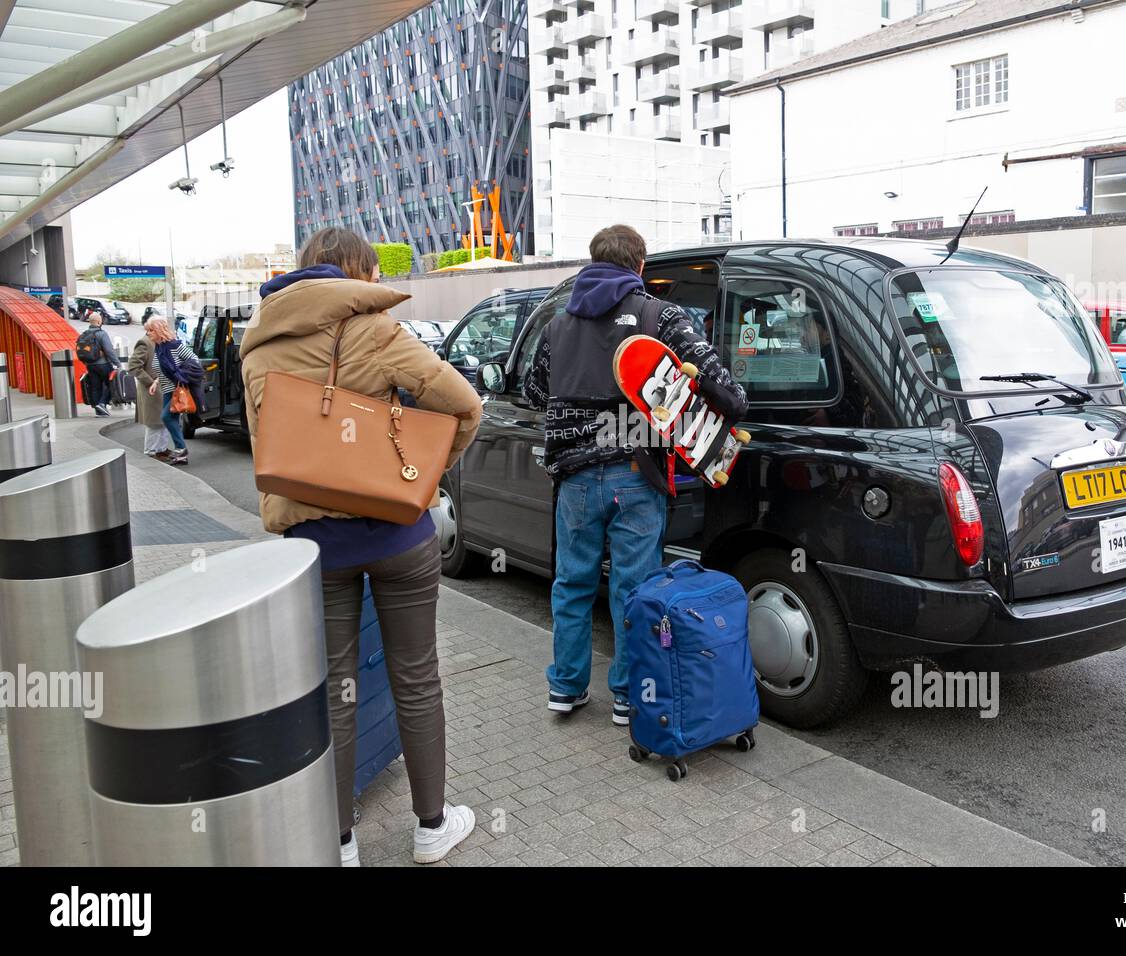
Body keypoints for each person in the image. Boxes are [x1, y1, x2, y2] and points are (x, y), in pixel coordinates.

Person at [238, 226, 484, 867]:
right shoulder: (374, 329)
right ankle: (431, 828)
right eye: (372, 274)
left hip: (313, 545)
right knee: (417, 678)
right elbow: (465, 406)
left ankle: (339, 842)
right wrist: (420, 478)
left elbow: (264, 442)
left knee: (333, 689)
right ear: (356, 274)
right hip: (397, 533)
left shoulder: (258, 341)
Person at [523, 224, 747, 725]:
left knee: (572, 584)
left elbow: (536, 393)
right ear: (639, 266)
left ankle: (566, 687)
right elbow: (715, 379)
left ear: (592, 261)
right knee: (634, 589)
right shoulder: (659, 316)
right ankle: (629, 696)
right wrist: (732, 404)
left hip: (574, 477)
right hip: (635, 475)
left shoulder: (557, 325)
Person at [149, 322, 200, 466]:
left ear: (159, 331)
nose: (148, 333)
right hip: (167, 389)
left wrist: (180, 374)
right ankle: (180, 453)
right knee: (171, 418)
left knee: (166, 417)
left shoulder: (174, 346)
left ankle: (181, 449)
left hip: (176, 389)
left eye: (151, 330)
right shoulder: (159, 347)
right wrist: (156, 382)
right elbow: (163, 369)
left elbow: (195, 360)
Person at [128, 318, 172, 460]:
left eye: (152, 329)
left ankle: (161, 449)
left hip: (162, 387)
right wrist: (150, 382)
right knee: (154, 423)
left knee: (164, 421)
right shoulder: (145, 342)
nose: (149, 332)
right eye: (149, 330)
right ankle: (152, 451)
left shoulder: (161, 342)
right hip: (151, 390)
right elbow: (133, 366)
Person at [75, 313, 120, 417]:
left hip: (90, 365)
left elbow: (81, 351)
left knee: (95, 387)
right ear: (99, 322)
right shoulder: (102, 334)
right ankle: (102, 404)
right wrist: (117, 363)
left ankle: (98, 411)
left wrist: (86, 363)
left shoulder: (84, 335)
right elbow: (109, 350)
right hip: (103, 364)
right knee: (111, 384)